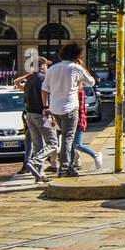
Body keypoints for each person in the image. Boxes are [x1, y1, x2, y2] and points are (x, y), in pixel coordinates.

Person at [42, 43, 95, 178]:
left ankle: (68, 166)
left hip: (54, 108)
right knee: (68, 139)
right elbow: (91, 82)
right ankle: (65, 168)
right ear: (76, 55)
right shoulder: (76, 68)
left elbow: (44, 89)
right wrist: (82, 66)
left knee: (64, 137)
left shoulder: (52, 68)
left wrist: (45, 107)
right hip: (70, 108)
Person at [15, 57, 55, 181]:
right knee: (53, 143)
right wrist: (52, 116)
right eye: (46, 65)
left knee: (38, 146)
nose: (47, 67)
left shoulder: (30, 79)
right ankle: (34, 161)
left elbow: (16, 82)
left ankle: (39, 176)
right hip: (41, 114)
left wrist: (30, 73)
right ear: (42, 66)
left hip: (29, 115)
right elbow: (48, 97)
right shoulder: (43, 78)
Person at [71, 83, 103, 172]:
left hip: (77, 122)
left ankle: (95, 155)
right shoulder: (77, 92)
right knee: (72, 145)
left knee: (77, 145)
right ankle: (72, 164)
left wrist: (79, 122)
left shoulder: (79, 92)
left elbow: (80, 109)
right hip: (76, 122)